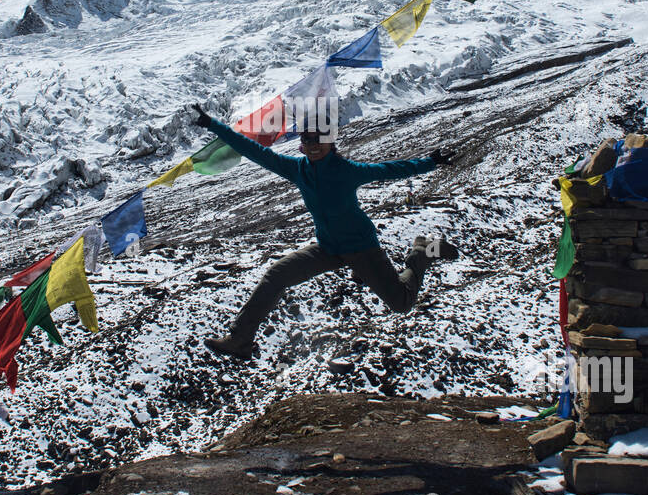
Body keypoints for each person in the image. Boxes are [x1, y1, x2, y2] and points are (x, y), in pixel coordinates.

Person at [188, 102, 458, 359]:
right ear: (302, 145)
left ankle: (420, 253)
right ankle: (240, 340)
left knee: (401, 304)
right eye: (307, 140)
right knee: (276, 275)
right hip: (328, 247)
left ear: (331, 141)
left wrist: (430, 163)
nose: (313, 145)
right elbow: (253, 150)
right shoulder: (297, 169)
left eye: (319, 139)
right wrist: (214, 125)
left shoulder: (347, 171)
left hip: (361, 248)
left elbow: (388, 170)